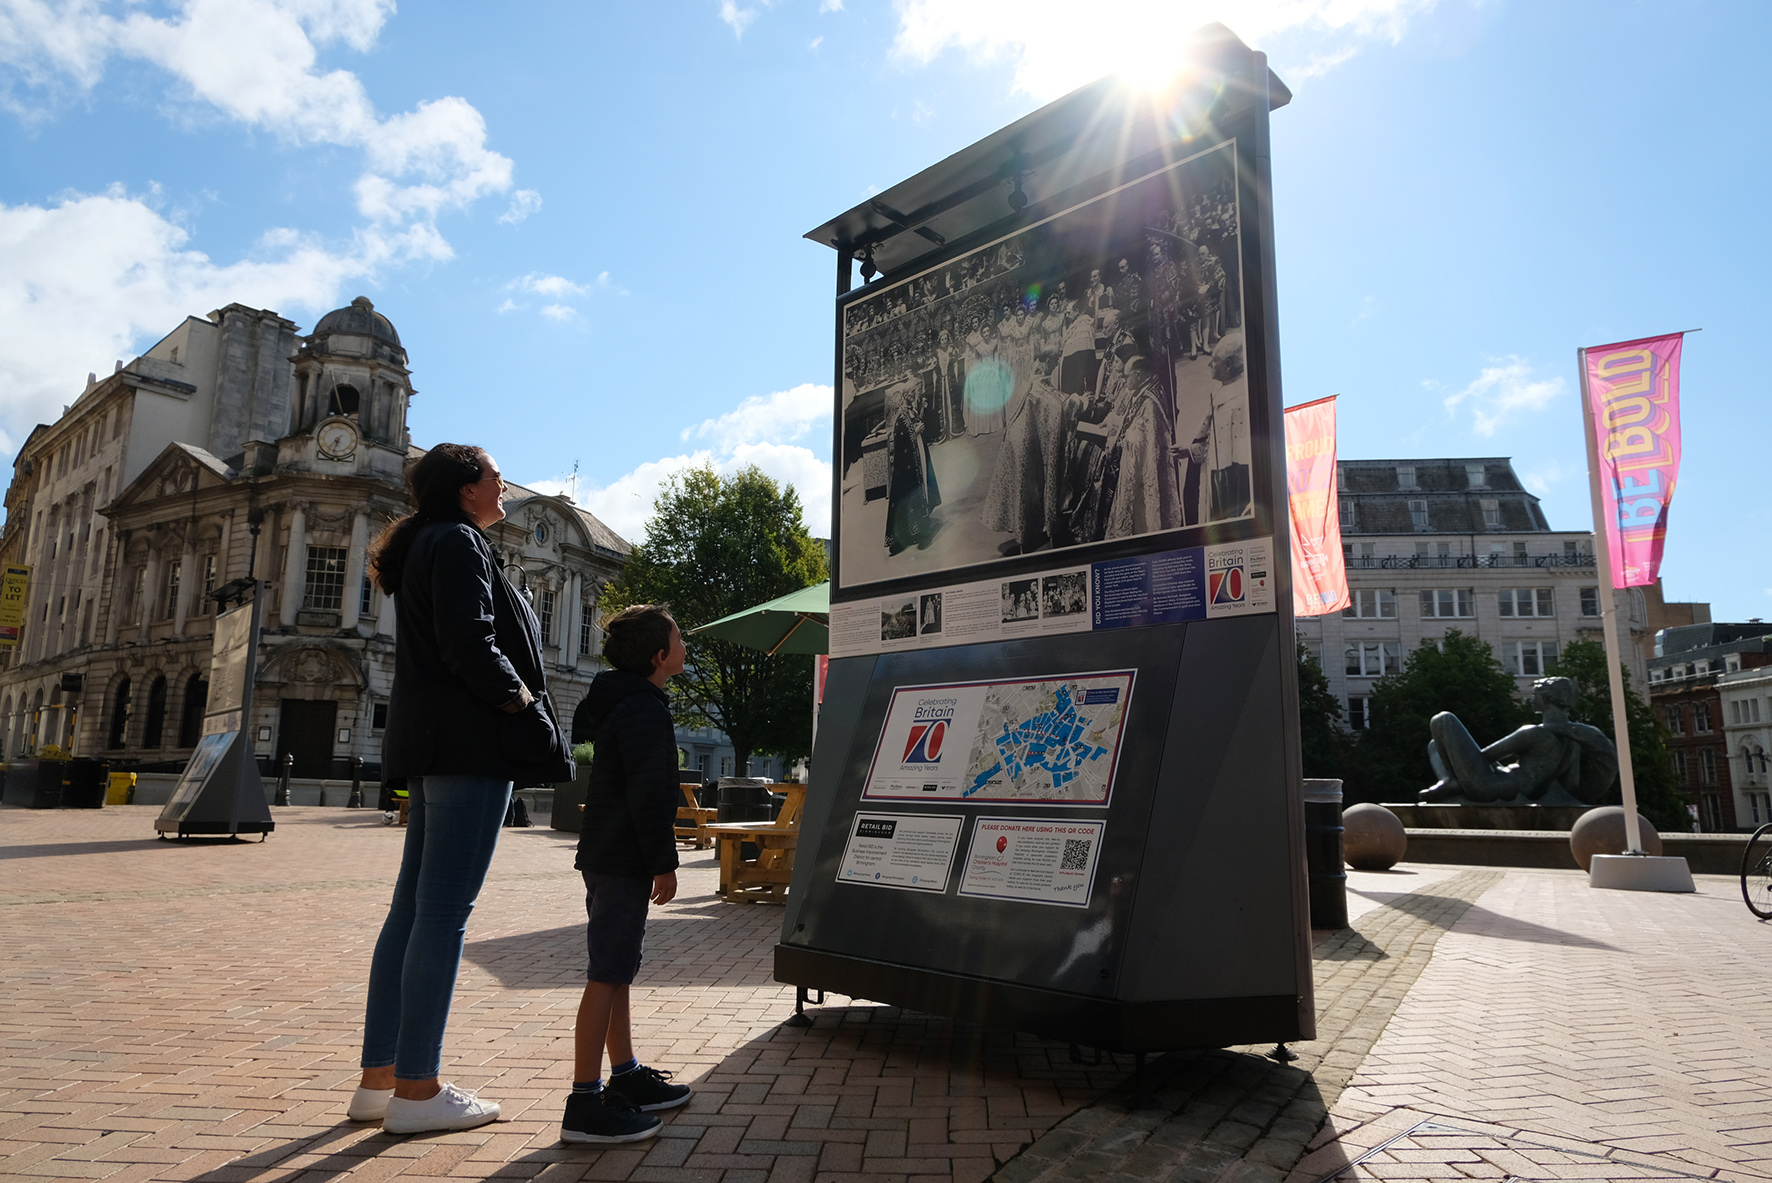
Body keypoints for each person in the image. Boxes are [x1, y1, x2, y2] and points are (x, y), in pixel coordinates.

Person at [351, 444, 573, 1135]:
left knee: (412, 912)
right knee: (442, 915)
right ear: (466, 486)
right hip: (469, 746)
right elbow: (471, 642)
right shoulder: (458, 542)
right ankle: (418, 1087)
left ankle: (379, 1078)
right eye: (493, 471)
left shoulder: (426, 542)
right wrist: (525, 705)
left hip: (432, 741)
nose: (502, 479)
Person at [560, 604, 694, 1144]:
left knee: (616, 969)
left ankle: (625, 1074)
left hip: (610, 853)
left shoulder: (627, 700)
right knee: (607, 973)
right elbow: (647, 793)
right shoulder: (643, 708)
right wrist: (664, 861)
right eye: (679, 637)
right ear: (660, 656)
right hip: (622, 857)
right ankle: (584, 1101)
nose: (685, 646)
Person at [1421, 677, 1616, 805]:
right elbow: (1570, 787)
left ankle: (1452, 781)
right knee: (1435, 745)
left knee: (1443, 719)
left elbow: (1482, 759)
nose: (1531, 699)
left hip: (1488, 786)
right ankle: (1451, 781)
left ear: (1546, 699)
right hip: (1508, 785)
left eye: (1535, 695)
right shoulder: (1572, 741)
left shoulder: (1532, 733)